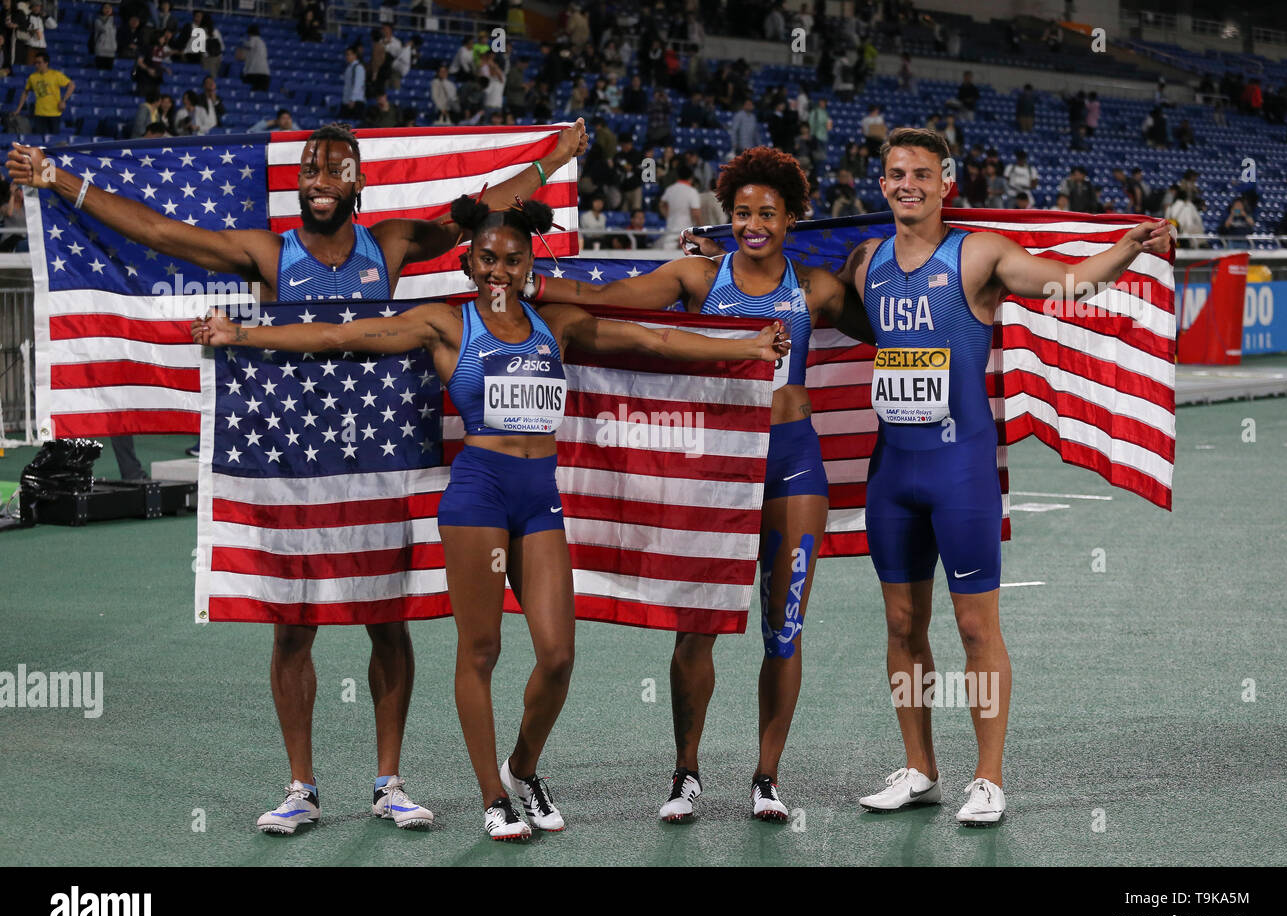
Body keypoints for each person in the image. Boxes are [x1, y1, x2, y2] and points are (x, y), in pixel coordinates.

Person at [7, 119, 589, 836]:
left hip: (383, 450)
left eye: (336, 170)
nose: (320, 181)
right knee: (293, 626)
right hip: (290, 452)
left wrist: (551, 159)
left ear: (358, 182)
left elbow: (478, 205)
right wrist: (59, 179)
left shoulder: (395, 242)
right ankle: (302, 786)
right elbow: (163, 234)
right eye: (312, 169)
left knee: (386, 617)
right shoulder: (268, 252)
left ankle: (389, 782)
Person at [192, 196, 787, 840]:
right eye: (487, 258)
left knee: (558, 655)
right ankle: (491, 799)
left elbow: (653, 338)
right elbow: (340, 335)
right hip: (477, 499)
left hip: (539, 502)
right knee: (481, 650)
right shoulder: (447, 324)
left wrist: (750, 342)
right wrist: (243, 334)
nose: (499, 270)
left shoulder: (554, 325)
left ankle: (522, 769)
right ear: (469, 262)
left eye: (512, 258)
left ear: (530, 261)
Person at [841, 127, 1169, 826]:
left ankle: (987, 779)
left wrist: (1127, 249)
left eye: (922, 175)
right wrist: (720, 252)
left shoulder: (979, 253)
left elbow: (1065, 283)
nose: (908, 185)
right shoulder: (864, 260)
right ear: (881, 183)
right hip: (891, 473)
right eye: (896, 174)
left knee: (974, 626)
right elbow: (786, 284)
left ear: (944, 184)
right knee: (902, 623)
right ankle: (919, 769)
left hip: (960, 472)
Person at [538, 146, 875, 824]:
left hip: (793, 466)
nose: (755, 224)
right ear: (729, 215)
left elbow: (886, 329)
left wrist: (871, 268)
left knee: (785, 626)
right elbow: (605, 301)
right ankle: (686, 773)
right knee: (698, 626)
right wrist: (529, 285)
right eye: (744, 212)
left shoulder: (815, 288)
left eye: (769, 214)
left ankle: (766, 778)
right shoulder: (699, 274)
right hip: (716, 472)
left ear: (791, 219)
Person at [11, 51, 72, 135]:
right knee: (38, 140)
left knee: (54, 141)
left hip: (54, 113)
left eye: (39, 63)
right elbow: (25, 92)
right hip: (39, 113)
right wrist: (18, 109)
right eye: (35, 63)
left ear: (46, 63)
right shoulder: (33, 77)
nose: (36, 65)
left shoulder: (56, 75)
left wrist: (63, 100)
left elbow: (71, 85)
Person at [658, 162, 701, 248]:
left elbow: (661, 204)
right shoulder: (692, 192)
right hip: (686, 235)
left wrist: (668, 215)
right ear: (691, 177)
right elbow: (696, 213)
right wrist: (701, 229)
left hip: (670, 233)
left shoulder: (670, 189)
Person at [238, 23, 270, 92]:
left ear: (250, 33)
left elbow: (249, 45)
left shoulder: (253, 39)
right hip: (265, 74)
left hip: (254, 73)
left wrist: (242, 42)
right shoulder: (263, 43)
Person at [341, 46, 365, 119]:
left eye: (349, 54)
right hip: (347, 100)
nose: (347, 56)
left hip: (355, 101)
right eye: (346, 55)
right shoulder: (349, 68)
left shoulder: (359, 68)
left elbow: (358, 84)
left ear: (355, 55)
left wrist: (353, 99)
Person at [92, 4, 117, 70]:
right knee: (99, 70)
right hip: (101, 50)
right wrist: (110, 18)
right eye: (105, 8)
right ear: (102, 9)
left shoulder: (115, 21)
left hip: (111, 51)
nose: (107, 9)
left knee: (108, 73)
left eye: (109, 8)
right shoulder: (98, 20)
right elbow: (104, 28)